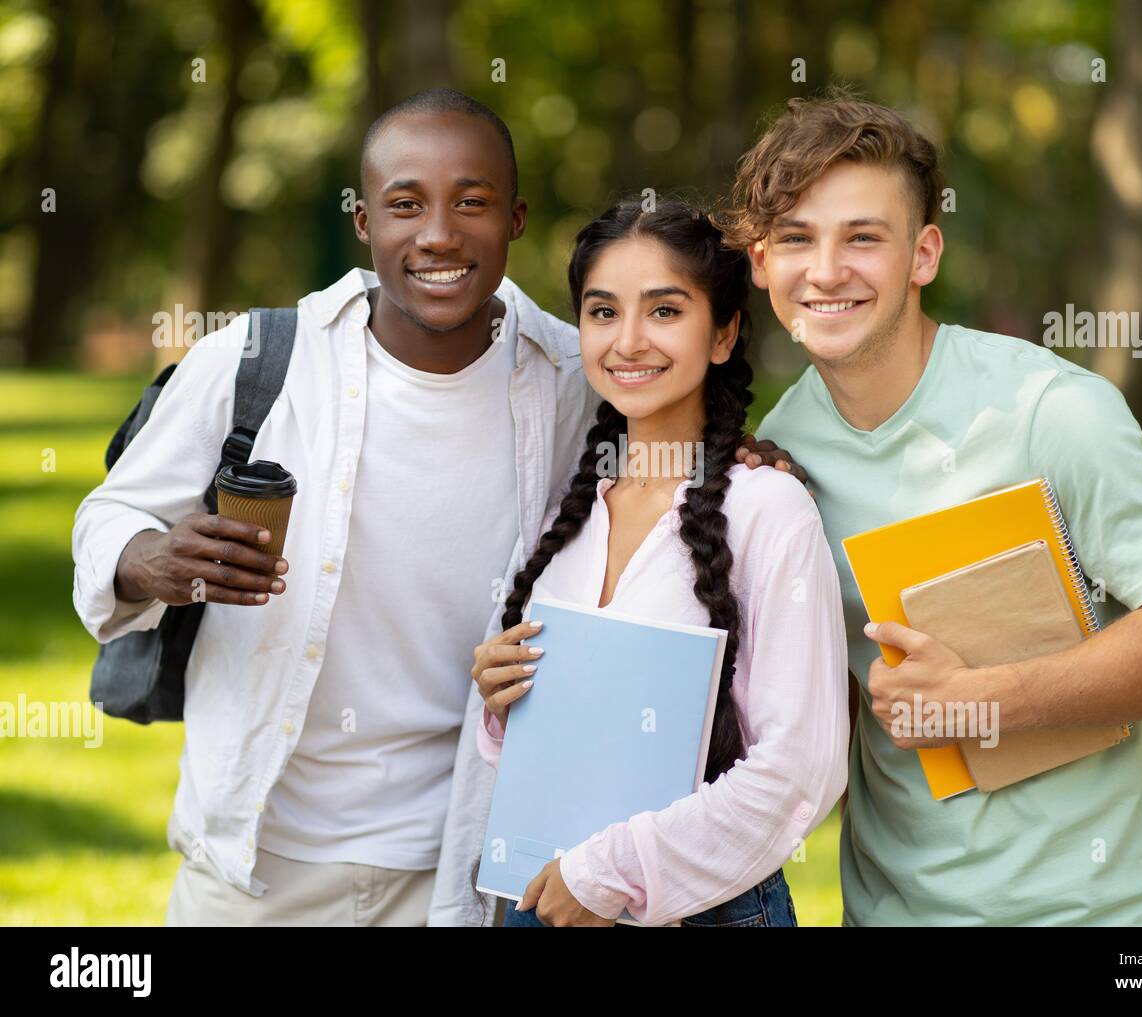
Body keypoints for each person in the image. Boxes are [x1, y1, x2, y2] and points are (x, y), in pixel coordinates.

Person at [70, 89, 796, 927]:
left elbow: (664, 436)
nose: (440, 234)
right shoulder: (260, 359)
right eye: (406, 204)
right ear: (362, 221)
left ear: (516, 218)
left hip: (463, 864)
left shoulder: (571, 372)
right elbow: (107, 517)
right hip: (257, 864)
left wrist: (734, 452)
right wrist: (146, 559)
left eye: (473, 203)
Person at [719, 87, 1142, 926]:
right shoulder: (780, 455)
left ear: (923, 254)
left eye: (864, 237)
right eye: (796, 239)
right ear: (760, 263)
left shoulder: (1053, 411)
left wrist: (983, 698)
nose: (825, 271)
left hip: (1098, 912)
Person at [469, 199, 849, 927]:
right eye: (602, 312)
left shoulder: (770, 509)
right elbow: (555, 753)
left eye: (665, 311)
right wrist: (500, 701)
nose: (628, 340)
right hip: (542, 897)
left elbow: (804, 765)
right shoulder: (568, 515)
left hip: (705, 908)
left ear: (724, 333)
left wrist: (610, 872)